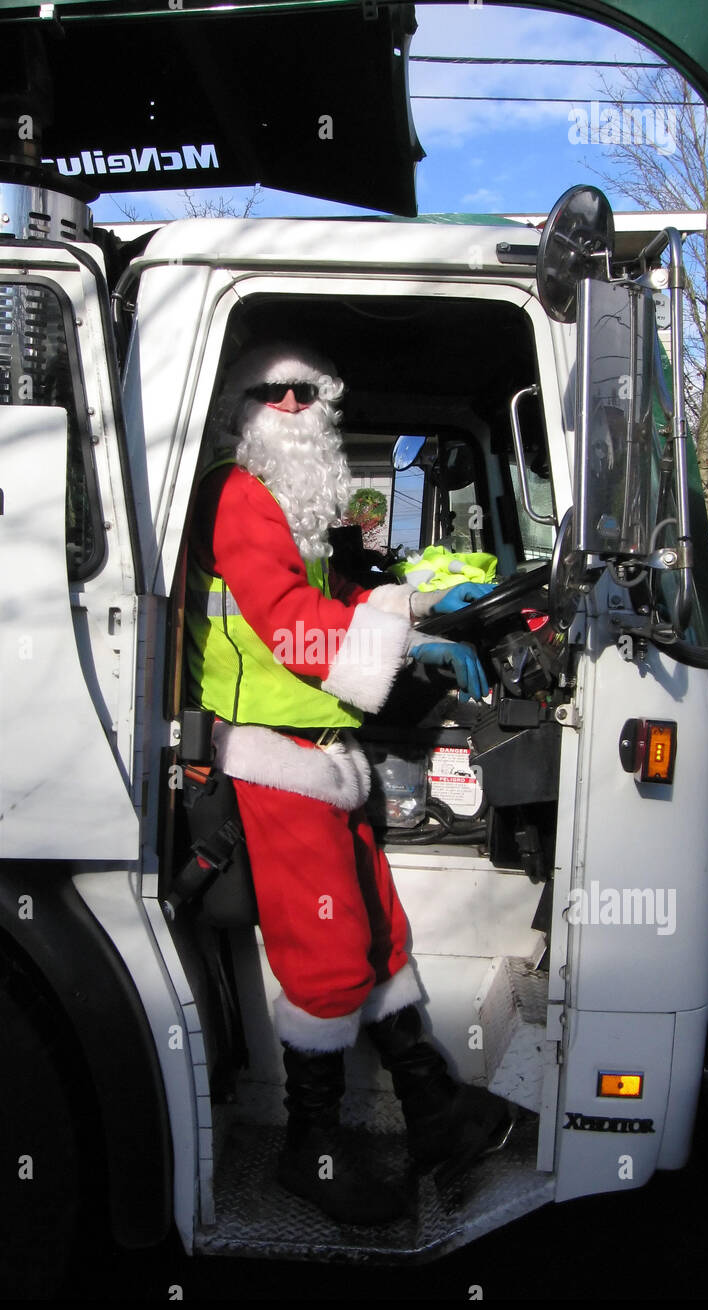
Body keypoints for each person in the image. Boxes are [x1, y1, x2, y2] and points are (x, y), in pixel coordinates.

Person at [185, 341, 509, 1225]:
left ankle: (433, 1111)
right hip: (273, 756)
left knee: (377, 929)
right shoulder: (239, 491)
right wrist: (404, 634)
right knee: (327, 954)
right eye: (270, 392)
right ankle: (310, 1148)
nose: (290, 405)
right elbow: (287, 620)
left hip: (320, 747)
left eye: (304, 392)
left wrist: (411, 591)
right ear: (240, 405)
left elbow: (334, 581)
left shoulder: (289, 497)